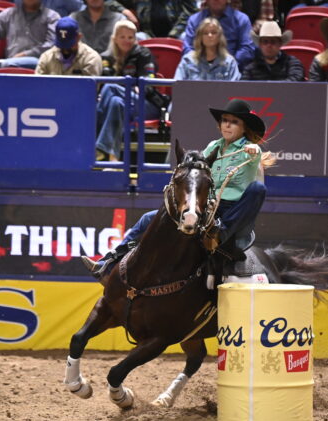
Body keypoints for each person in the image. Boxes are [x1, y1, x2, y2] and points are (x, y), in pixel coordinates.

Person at [83, 98, 272, 279]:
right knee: (148, 218)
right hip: (210, 209)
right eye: (225, 120)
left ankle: (220, 233)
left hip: (234, 214)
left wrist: (254, 150)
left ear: (244, 128)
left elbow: (255, 154)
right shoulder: (213, 146)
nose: (227, 125)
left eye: (234, 122)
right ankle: (108, 262)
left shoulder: (250, 150)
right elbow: (199, 170)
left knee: (257, 189)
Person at [96, 20, 165, 161]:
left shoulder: (144, 54)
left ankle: (95, 142)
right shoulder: (106, 58)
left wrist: (136, 88)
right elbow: (101, 87)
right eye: (122, 37)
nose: (126, 40)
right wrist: (131, 87)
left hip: (146, 104)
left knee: (111, 87)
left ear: (135, 38)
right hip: (124, 104)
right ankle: (112, 159)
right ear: (114, 38)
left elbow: (148, 85)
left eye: (130, 37)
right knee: (116, 103)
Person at [0, 0, 59, 72]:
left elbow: (52, 45)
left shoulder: (52, 17)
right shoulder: (9, 14)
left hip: (38, 66)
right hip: (9, 66)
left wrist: (25, 54)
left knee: (32, 61)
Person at [183, 0, 257, 71]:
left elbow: (246, 49)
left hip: (233, 70)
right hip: (199, 70)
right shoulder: (194, 20)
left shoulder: (241, 19)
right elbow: (188, 48)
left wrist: (230, 65)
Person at [174, 17, 240, 81]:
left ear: (219, 36)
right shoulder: (188, 60)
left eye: (213, 32)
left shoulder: (230, 62)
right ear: (200, 37)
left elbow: (234, 87)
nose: (210, 35)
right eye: (205, 33)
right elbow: (177, 85)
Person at [35, 16, 102, 75]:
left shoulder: (91, 58)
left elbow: (89, 85)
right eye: (62, 44)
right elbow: (38, 83)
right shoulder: (47, 57)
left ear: (79, 37)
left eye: (68, 44)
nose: (65, 49)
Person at [130, 0, 198, 39]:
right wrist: (126, 11)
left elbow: (190, 13)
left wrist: (173, 35)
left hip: (178, 35)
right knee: (138, 37)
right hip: (148, 36)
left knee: (185, 36)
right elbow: (123, 4)